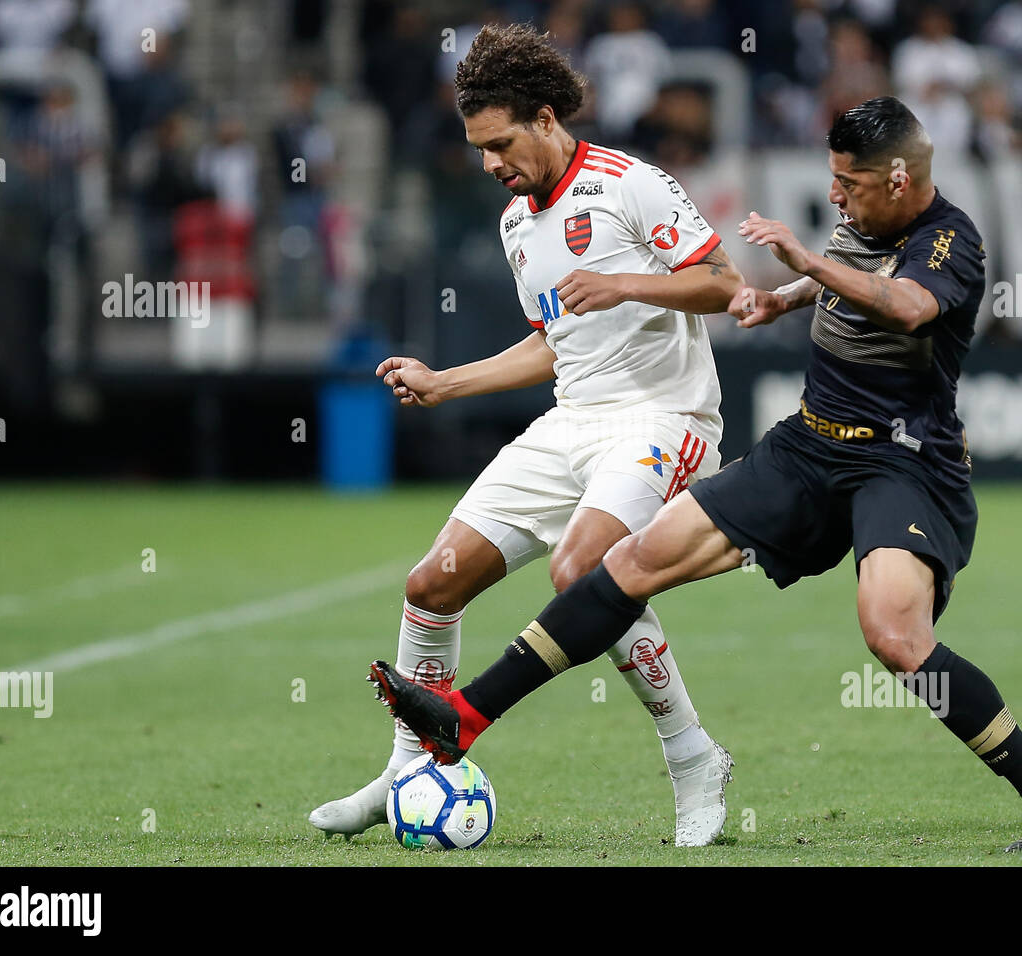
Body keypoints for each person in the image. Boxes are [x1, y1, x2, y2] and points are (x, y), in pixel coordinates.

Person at [374, 96, 1022, 853]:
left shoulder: (953, 241)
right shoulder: (864, 221)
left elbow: (910, 305)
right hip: (809, 447)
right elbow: (842, 277)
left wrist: (805, 261)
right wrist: (780, 298)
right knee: (625, 564)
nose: (834, 197)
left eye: (847, 184)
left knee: (893, 634)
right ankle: (466, 717)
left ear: (898, 180)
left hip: (903, 462)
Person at [310, 24, 745, 846]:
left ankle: (692, 756)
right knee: (430, 584)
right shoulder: (517, 224)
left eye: (500, 143)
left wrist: (622, 283)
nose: (489, 163)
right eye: (477, 147)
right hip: (571, 420)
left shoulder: (632, 184)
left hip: (662, 417)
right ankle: (410, 766)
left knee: (584, 571)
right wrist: (447, 381)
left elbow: (727, 287)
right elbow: (553, 341)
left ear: (547, 119)